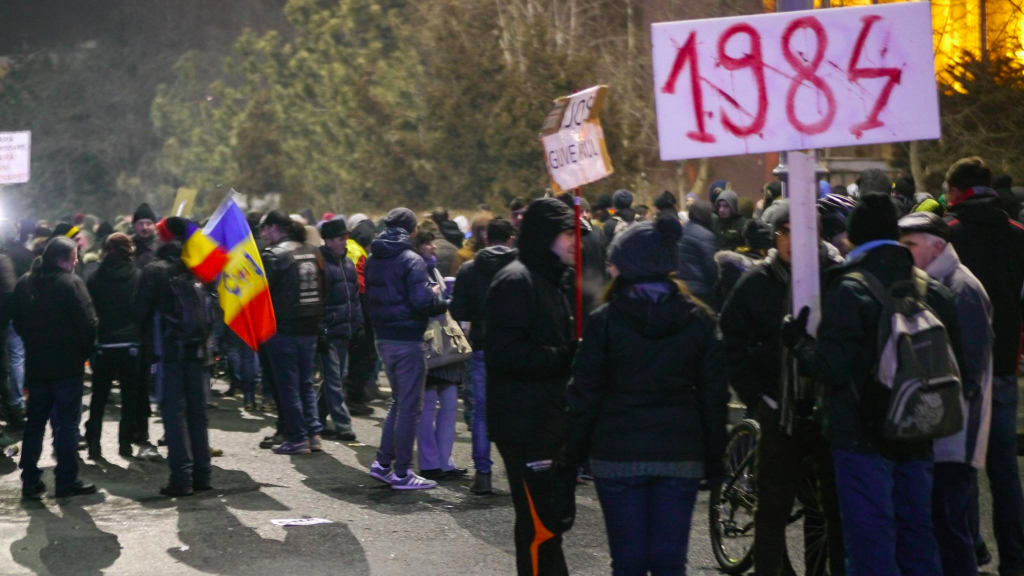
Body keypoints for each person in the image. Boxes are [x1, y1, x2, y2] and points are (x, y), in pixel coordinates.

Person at [783, 192, 962, 576]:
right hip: (917, 430)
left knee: (870, 543)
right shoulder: (933, 291)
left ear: (852, 236)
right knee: (918, 536)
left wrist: (798, 341)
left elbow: (830, 368)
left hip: (860, 437)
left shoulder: (849, 289)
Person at [568, 217, 728, 576]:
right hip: (680, 452)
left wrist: (573, 456)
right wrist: (715, 460)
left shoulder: (604, 321)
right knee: (671, 563)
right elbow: (713, 396)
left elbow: (584, 394)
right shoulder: (699, 320)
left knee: (627, 563)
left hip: (617, 452)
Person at [719, 200, 846, 576]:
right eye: (784, 231)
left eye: (802, 231)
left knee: (832, 507)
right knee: (772, 507)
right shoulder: (757, 282)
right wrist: (758, 398)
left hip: (829, 408)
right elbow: (731, 343)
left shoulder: (837, 276)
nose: (792, 240)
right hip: (779, 411)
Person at [485, 198, 579, 576]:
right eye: (567, 232)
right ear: (545, 236)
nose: (575, 241)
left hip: (548, 419)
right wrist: (565, 355)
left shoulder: (552, 280)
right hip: (525, 425)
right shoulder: (515, 281)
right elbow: (504, 354)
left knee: (549, 523)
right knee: (541, 526)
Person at [899, 212, 994, 576]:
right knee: (946, 524)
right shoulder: (939, 283)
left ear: (937, 247)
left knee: (951, 526)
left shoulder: (961, 288)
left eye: (911, 245)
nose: (904, 252)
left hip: (956, 433)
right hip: (944, 429)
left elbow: (970, 369)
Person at [942, 156, 1024, 575]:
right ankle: (1015, 556)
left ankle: (971, 551)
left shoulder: (948, 236)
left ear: (955, 193)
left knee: (961, 463)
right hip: (1005, 365)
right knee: (1003, 466)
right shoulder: (1018, 235)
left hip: (957, 366)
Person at [365, 208, 447, 490]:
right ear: (412, 231)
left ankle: (382, 463)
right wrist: (438, 295)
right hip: (408, 339)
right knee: (410, 407)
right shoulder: (411, 259)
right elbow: (423, 302)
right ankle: (402, 473)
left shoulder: (375, 257)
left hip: (383, 338)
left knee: (399, 402)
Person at [15, 237, 98, 499]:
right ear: (64, 259)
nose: (76, 262)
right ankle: (66, 480)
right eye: (74, 257)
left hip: (37, 365)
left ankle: (29, 480)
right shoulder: (71, 284)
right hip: (67, 366)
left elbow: (17, 322)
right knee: (67, 425)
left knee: (35, 423)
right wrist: (84, 353)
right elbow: (89, 324)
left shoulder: (26, 283)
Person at [134, 235, 213, 497]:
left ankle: (181, 479)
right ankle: (203, 475)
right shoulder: (194, 272)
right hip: (198, 352)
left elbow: (140, 312)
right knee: (197, 413)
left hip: (169, 354)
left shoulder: (154, 272)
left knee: (173, 414)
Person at [450, 217, 517, 495]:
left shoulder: (469, 269)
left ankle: (484, 474)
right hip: (516, 348)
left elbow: (459, 313)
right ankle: (519, 474)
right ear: (510, 238)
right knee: (518, 411)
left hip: (481, 347)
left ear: (487, 238)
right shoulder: (522, 267)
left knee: (481, 413)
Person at [259, 210, 326, 455]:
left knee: (288, 385)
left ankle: (298, 438)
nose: (263, 234)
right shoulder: (313, 251)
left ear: (275, 227)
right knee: (306, 383)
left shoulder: (273, 255)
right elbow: (324, 287)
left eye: (264, 228)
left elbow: (262, 293)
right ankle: (314, 433)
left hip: (283, 328)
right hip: (310, 326)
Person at [85, 233, 153, 460]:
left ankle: (94, 444)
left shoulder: (94, 278)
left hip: (104, 344)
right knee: (129, 397)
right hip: (131, 344)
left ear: (105, 250)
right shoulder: (138, 277)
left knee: (99, 396)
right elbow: (145, 311)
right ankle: (125, 445)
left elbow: (90, 312)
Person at [412, 228, 468, 480]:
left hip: (445, 345)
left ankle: (445, 460)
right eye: (427, 244)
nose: (433, 248)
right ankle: (430, 463)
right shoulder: (414, 270)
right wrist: (440, 299)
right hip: (427, 345)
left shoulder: (432, 270)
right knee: (427, 407)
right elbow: (422, 304)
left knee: (448, 404)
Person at [317, 219, 362, 442]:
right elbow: (318, 301)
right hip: (329, 330)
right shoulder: (321, 264)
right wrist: (321, 330)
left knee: (336, 377)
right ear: (328, 240)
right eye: (341, 239)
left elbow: (354, 298)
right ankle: (343, 424)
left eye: (345, 238)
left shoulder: (347, 264)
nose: (345, 242)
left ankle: (316, 418)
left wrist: (358, 323)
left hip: (344, 328)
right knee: (334, 378)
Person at [344, 214, 379, 415]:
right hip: (357, 311)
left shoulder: (347, 246)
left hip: (341, 311)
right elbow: (361, 287)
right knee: (363, 355)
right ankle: (354, 398)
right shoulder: (359, 254)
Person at [677, 200, 718, 309]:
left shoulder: (680, 231)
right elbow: (711, 267)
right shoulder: (706, 236)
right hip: (700, 290)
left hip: (681, 287)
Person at [131, 203, 159, 270]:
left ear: (155, 225)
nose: (144, 227)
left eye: (148, 223)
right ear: (134, 225)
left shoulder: (161, 246)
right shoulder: (127, 245)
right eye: (140, 223)